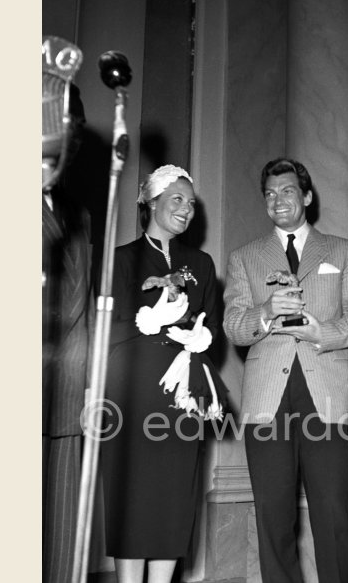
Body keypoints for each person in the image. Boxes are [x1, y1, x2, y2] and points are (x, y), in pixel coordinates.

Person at [223, 157, 348, 583]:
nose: (278, 201)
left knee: (334, 512)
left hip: (324, 393)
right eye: (270, 194)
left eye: (287, 191)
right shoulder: (245, 257)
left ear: (307, 196)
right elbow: (234, 327)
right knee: (273, 518)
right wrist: (266, 312)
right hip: (265, 399)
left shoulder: (345, 252)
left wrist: (321, 332)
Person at [100, 165, 225, 583]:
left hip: (182, 395)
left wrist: (203, 337)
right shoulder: (122, 260)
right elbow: (100, 333)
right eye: (177, 199)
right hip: (131, 393)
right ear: (150, 202)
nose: (187, 209)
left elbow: (212, 329)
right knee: (133, 496)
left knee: (175, 496)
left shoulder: (201, 264)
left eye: (191, 203)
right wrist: (144, 322)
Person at [43, 70, 90, 583]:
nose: (68, 131)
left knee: (60, 534)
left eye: (74, 123)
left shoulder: (77, 210)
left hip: (64, 393)